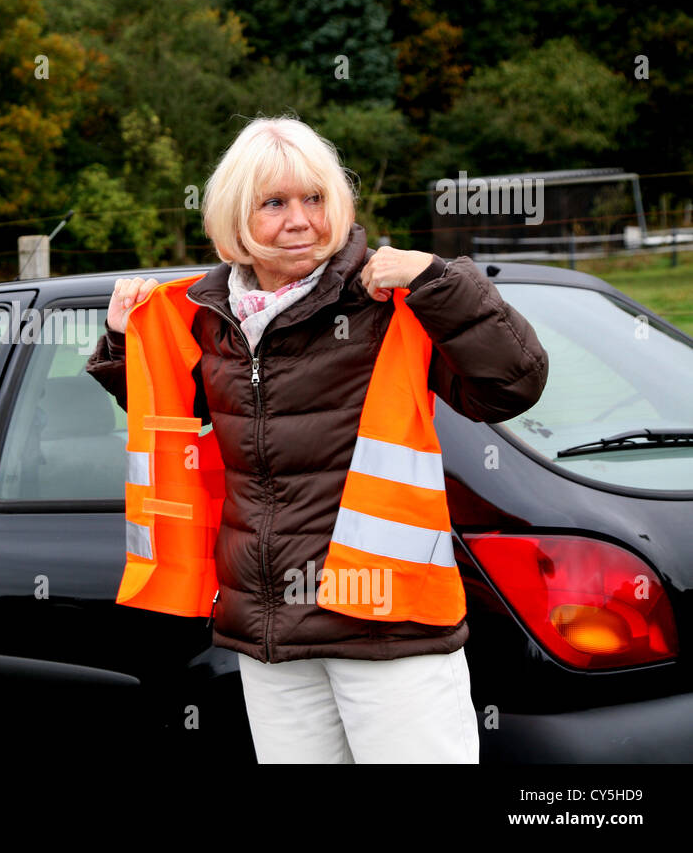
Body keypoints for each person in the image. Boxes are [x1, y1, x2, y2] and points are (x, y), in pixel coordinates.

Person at [85, 116, 549, 762]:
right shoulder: (207, 319)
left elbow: (513, 386)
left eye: (316, 199)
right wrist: (121, 343)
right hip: (270, 634)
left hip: (390, 627)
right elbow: (174, 412)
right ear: (233, 219)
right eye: (274, 203)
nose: (300, 220)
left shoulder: (390, 301)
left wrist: (444, 282)